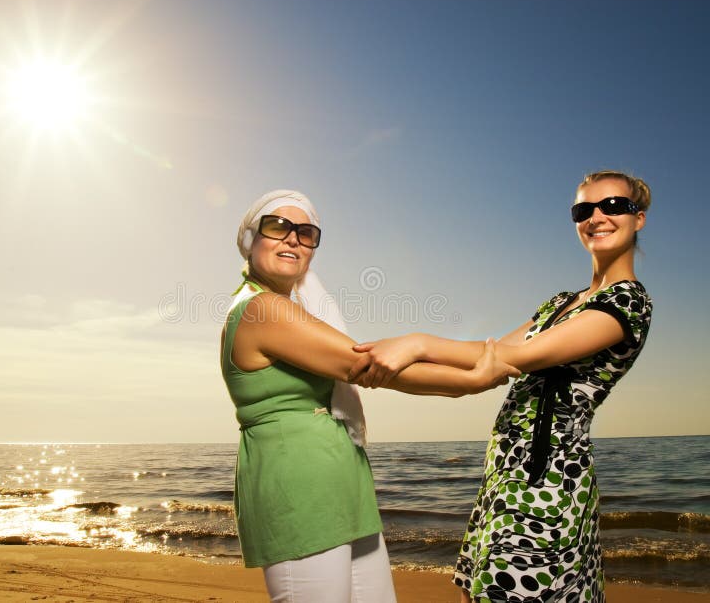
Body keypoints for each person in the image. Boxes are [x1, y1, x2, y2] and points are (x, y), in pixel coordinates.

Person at [347, 171, 653, 602]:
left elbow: (515, 359)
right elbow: (488, 351)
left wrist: (417, 344)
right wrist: (387, 367)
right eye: (584, 210)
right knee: (479, 594)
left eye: (613, 206)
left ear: (638, 218)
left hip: (549, 481)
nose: (597, 217)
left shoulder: (628, 302)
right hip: (505, 471)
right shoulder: (561, 301)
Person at [221, 190, 519, 603]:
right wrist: (474, 377)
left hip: (344, 483)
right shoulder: (262, 310)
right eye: (278, 227)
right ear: (252, 239)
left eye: (306, 233)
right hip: (297, 490)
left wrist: (492, 356)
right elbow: (363, 364)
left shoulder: (292, 311)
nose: (293, 239)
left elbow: (368, 358)